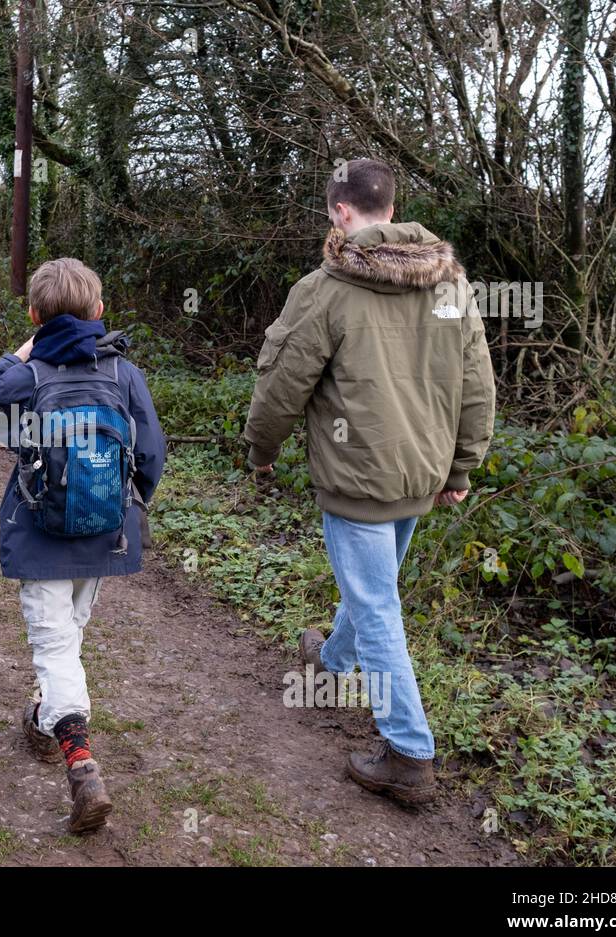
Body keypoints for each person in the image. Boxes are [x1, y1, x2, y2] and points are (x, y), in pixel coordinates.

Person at [243, 159, 496, 805]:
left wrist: (260, 452)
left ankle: (410, 753)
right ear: (392, 208)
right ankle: (331, 664)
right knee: (373, 590)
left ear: (340, 211)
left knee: (378, 606)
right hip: (422, 469)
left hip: (359, 478)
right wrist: (461, 466)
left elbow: (281, 385)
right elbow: (477, 387)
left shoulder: (325, 288)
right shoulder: (450, 286)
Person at [0, 257, 165, 832]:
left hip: (40, 533)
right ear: (99, 312)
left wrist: (24, 355)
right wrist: (127, 506)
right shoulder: (123, 373)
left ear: (33, 316)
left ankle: (80, 764)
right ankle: (41, 716)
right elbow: (150, 453)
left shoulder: (30, 376)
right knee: (68, 634)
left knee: (55, 645)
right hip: (104, 533)